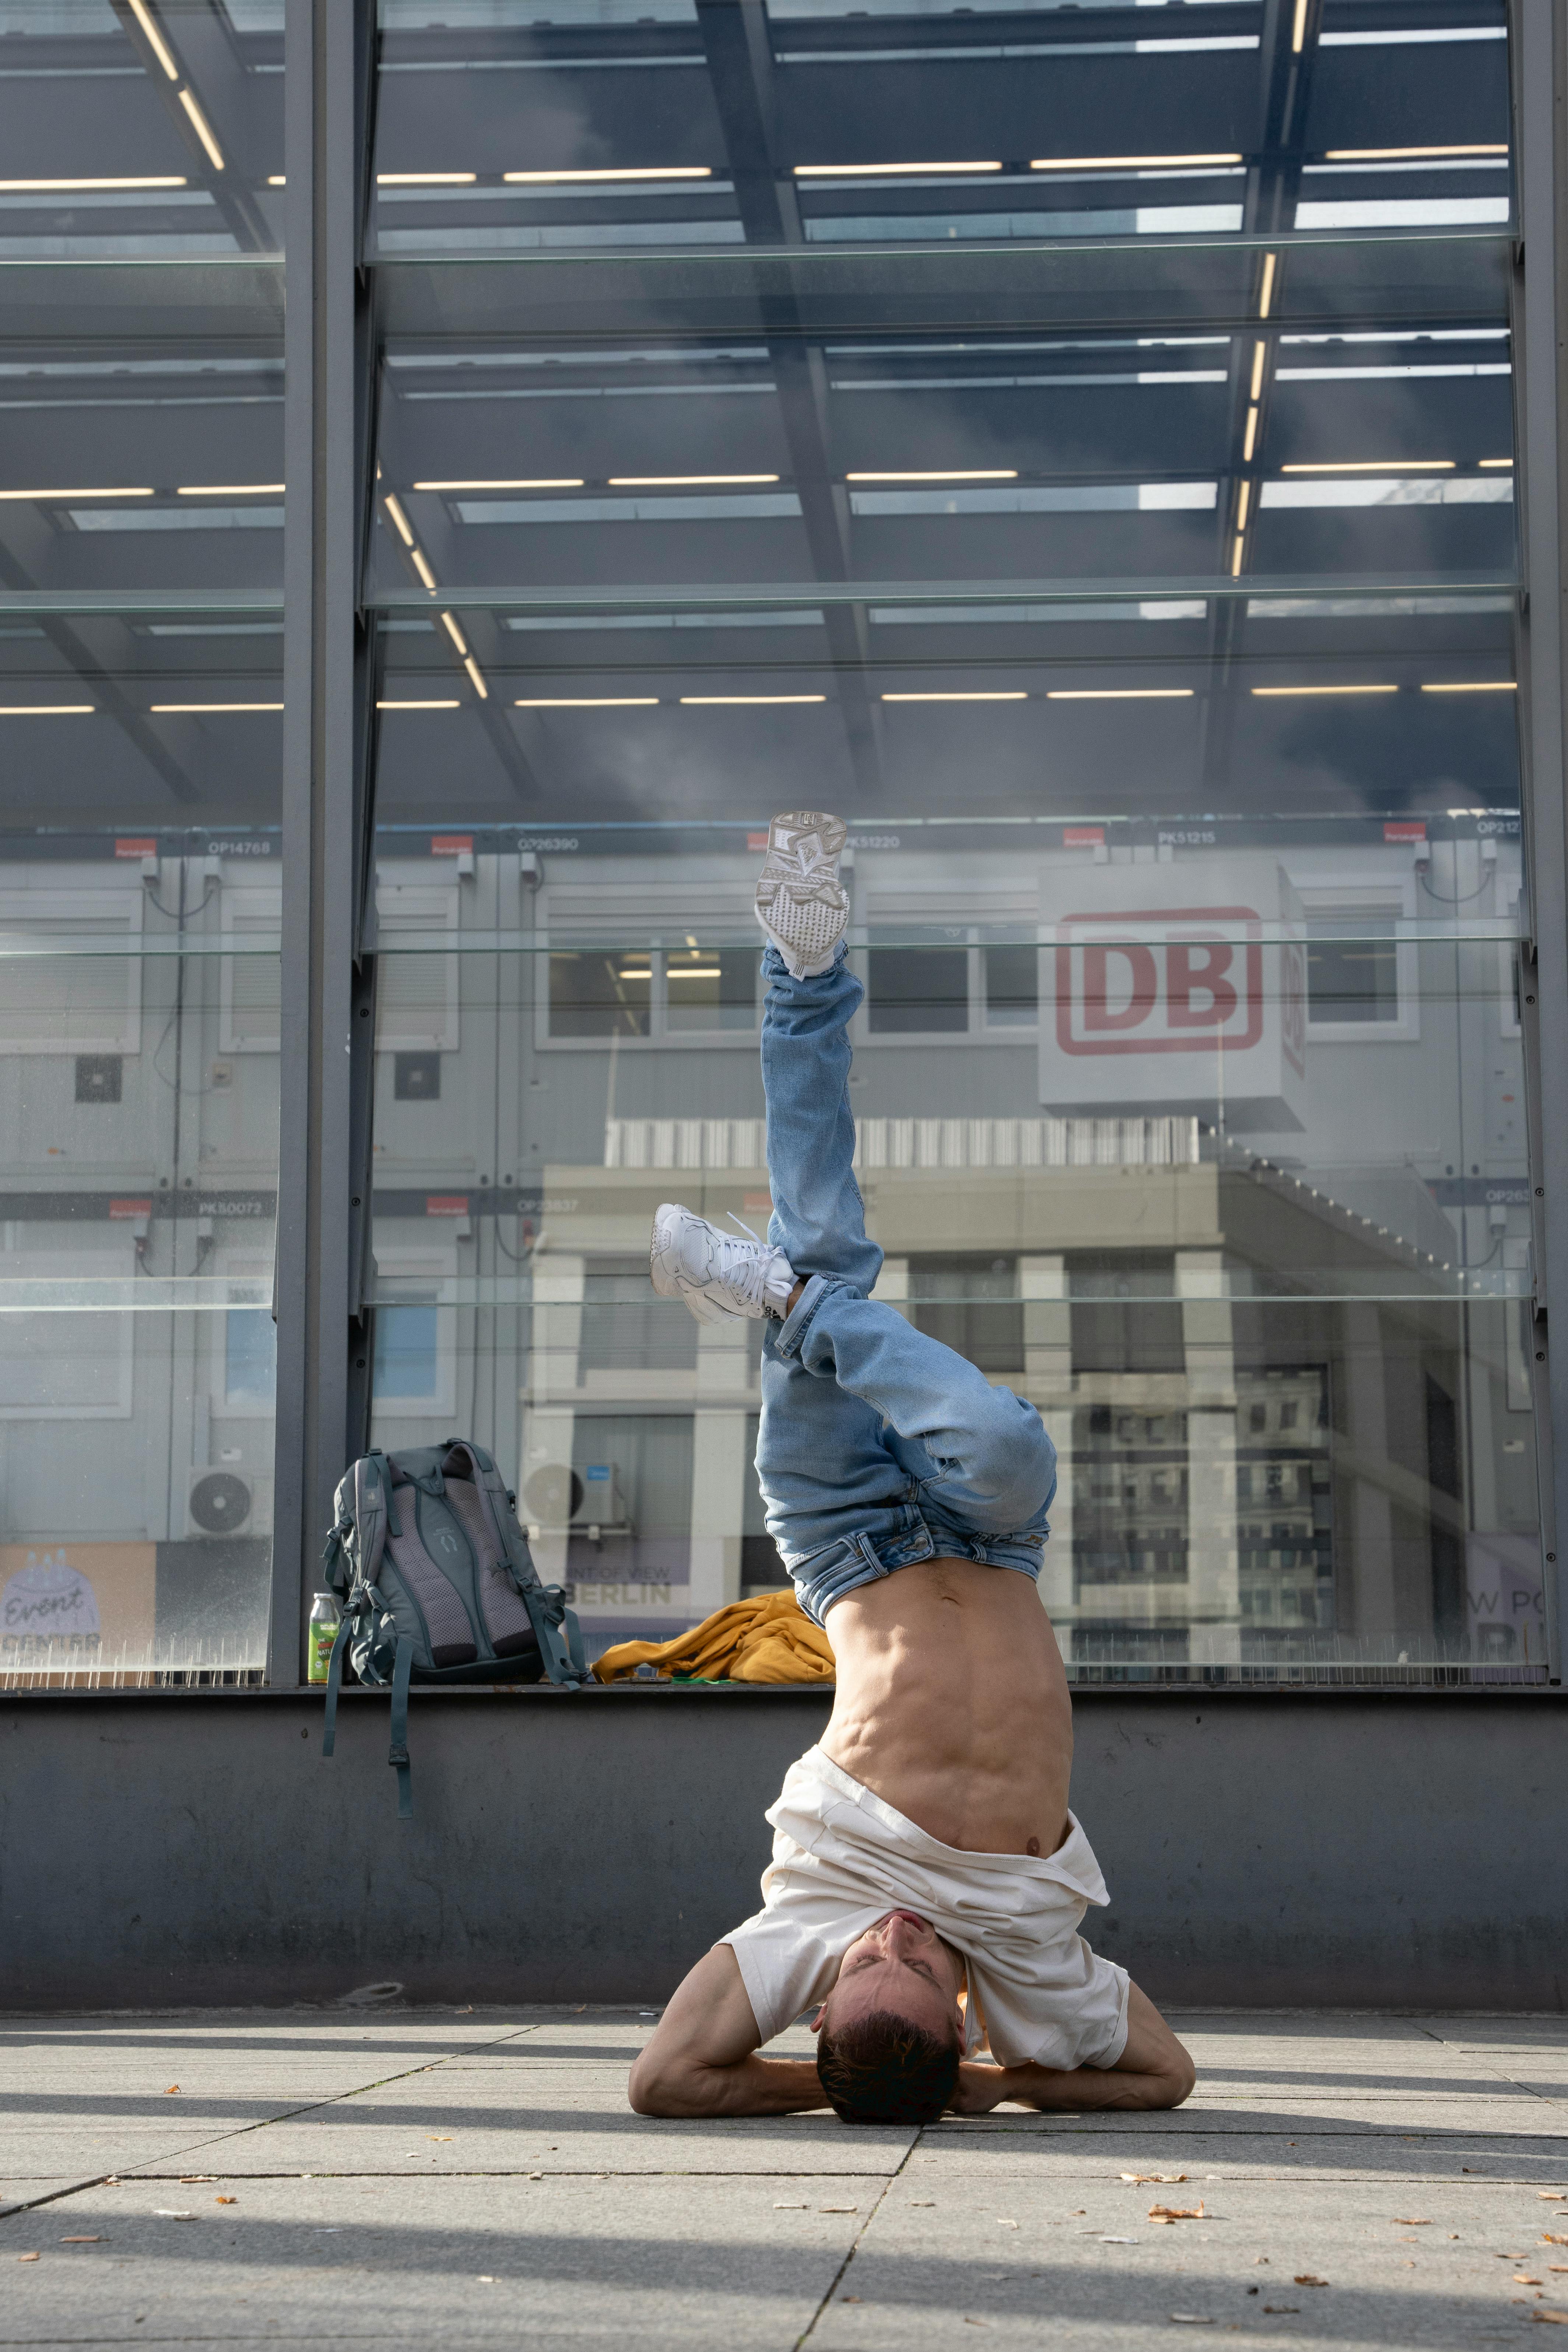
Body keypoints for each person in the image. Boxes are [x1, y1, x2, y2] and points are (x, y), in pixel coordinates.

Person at [629, 811, 1195, 2127]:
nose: (889, 1936)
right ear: (957, 2015)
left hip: (843, 1538)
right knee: (1000, 1439)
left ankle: (802, 968)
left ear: (823, 2004)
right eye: (915, 1969)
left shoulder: (801, 1933)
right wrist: (999, 2083)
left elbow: (665, 2081)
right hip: (989, 1537)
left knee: (826, 1237)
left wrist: (822, 2083)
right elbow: (1167, 2074)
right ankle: (785, 1302)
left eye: (861, 1971)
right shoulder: (1036, 1970)